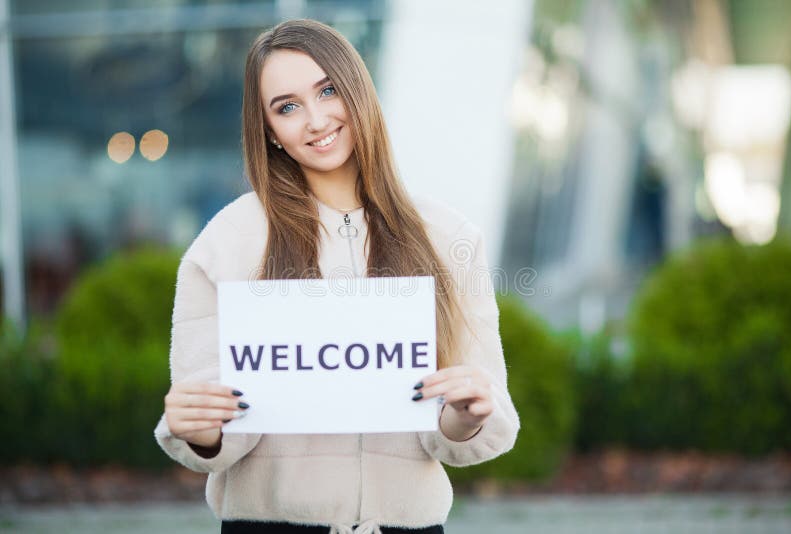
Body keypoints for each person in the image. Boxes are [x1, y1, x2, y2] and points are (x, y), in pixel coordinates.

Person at [153, 18, 520, 534]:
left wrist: (466, 415)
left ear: (358, 89)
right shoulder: (227, 242)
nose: (315, 119)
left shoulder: (449, 236)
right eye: (286, 106)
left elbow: (477, 420)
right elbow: (212, 431)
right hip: (270, 525)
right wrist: (201, 429)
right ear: (269, 132)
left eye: (328, 89)